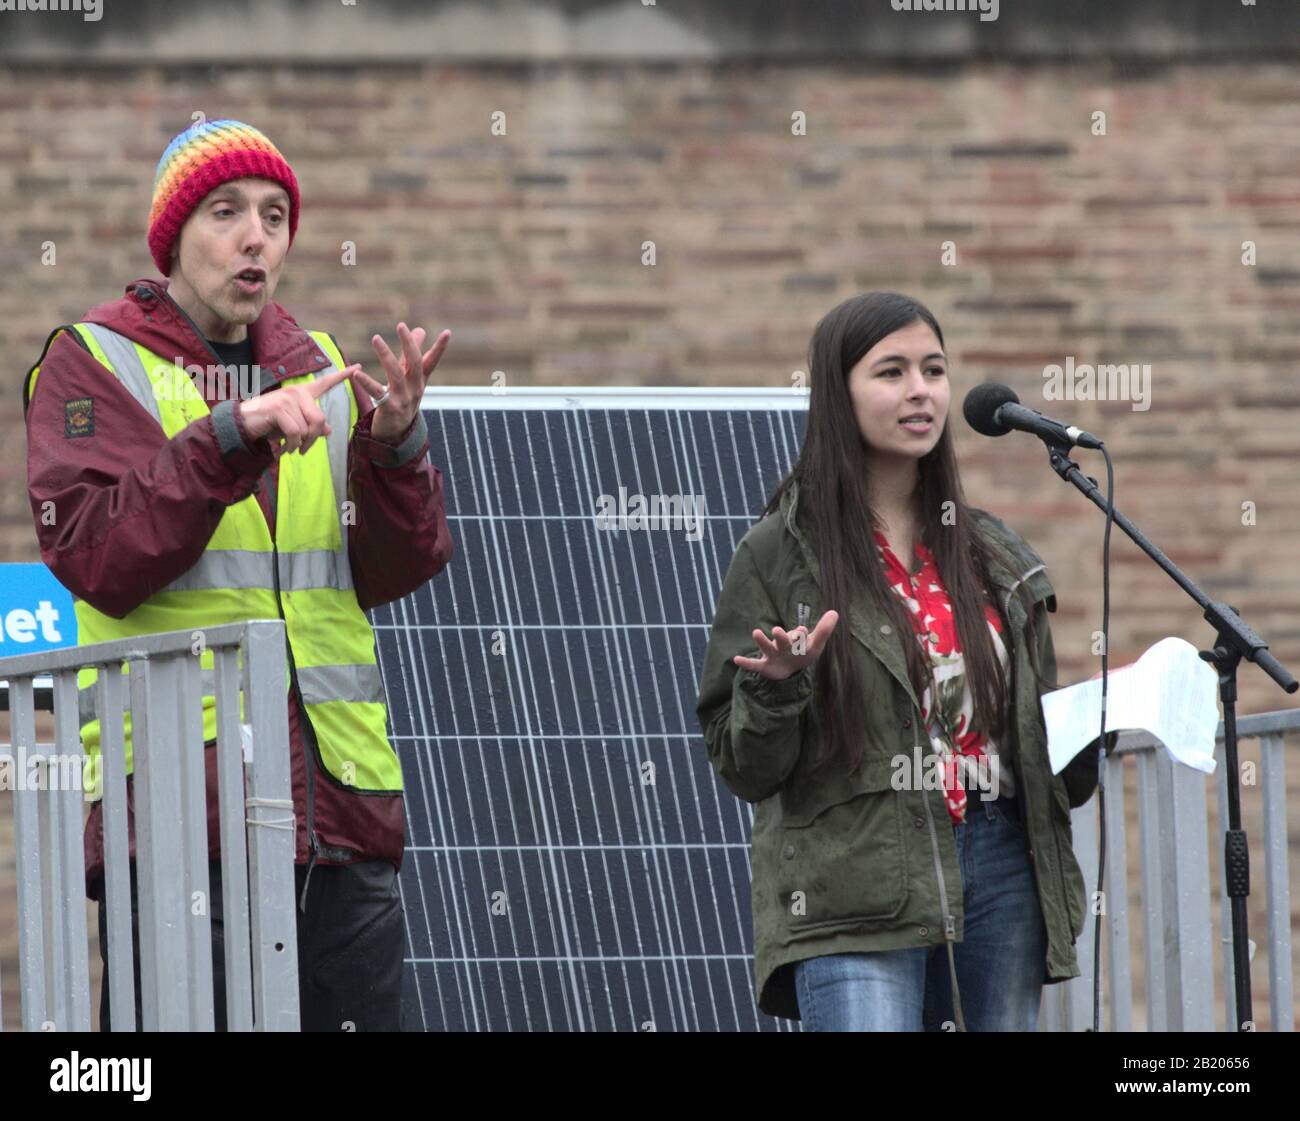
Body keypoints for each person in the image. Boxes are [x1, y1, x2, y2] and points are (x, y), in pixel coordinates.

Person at [22, 119, 454, 1030]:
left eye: (274, 214)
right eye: (225, 213)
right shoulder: (91, 361)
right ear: (174, 238)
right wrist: (231, 436)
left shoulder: (326, 369)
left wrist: (395, 450)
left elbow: (396, 565)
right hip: (181, 813)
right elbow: (97, 550)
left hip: (341, 814)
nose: (256, 235)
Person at [695, 291, 1098, 1031]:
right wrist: (776, 692)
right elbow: (741, 765)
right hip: (856, 884)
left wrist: (1091, 724)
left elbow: (1036, 744)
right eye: (891, 372)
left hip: (1003, 862)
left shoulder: (993, 550)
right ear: (837, 395)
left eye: (934, 369)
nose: (921, 390)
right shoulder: (779, 554)